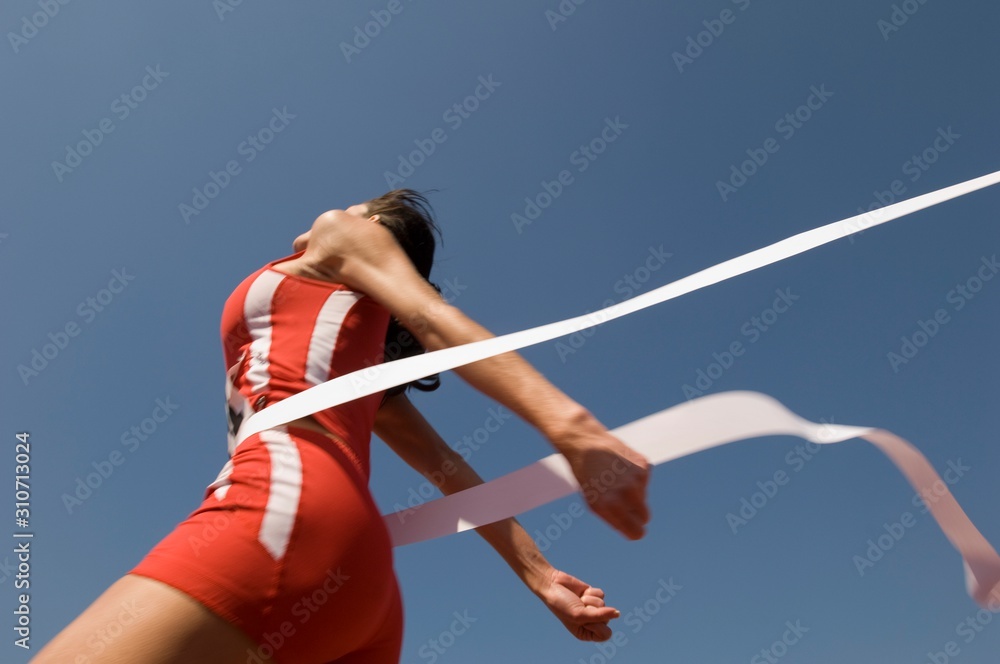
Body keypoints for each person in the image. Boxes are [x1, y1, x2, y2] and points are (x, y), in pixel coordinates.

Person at [33, 190, 651, 664]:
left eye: (361, 207)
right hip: (366, 589)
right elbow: (451, 473)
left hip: (280, 513)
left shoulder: (340, 232)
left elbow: (433, 317)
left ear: (374, 226)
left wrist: (571, 427)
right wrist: (542, 577)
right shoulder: (358, 376)